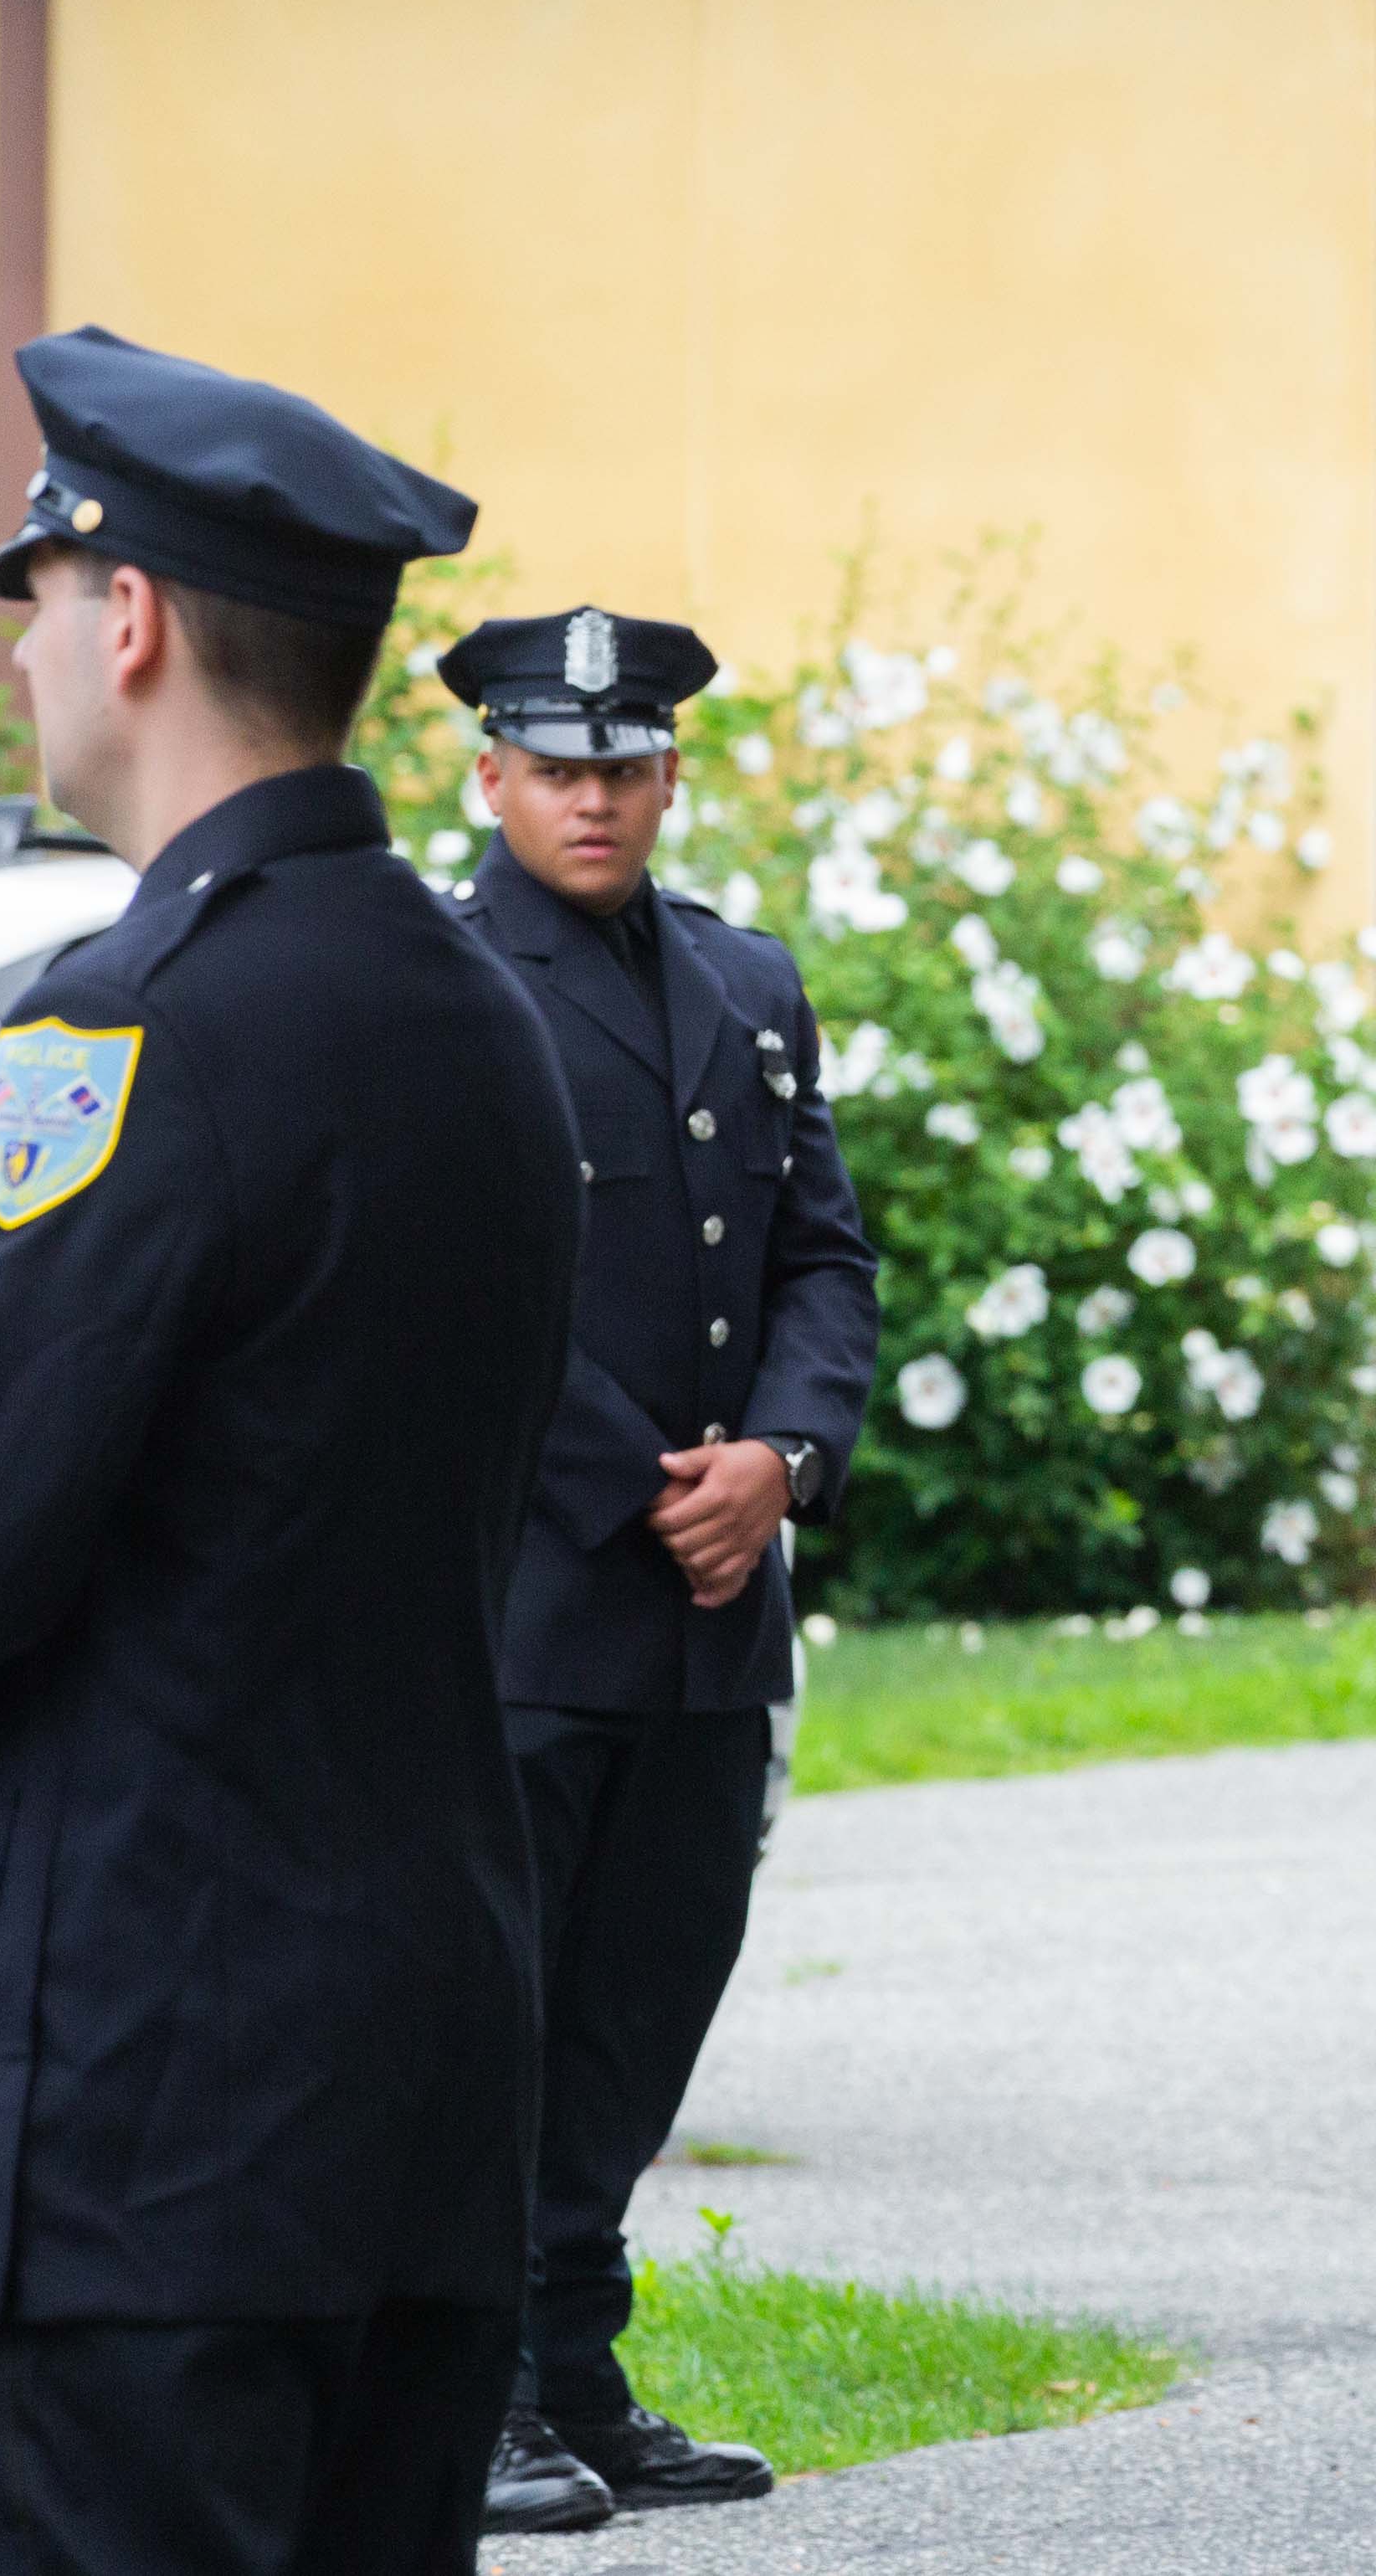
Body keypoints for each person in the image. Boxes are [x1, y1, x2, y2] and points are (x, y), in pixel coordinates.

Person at [0, 329, 581, 2574]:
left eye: (41, 591)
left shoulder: (131, 1028)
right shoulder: (482, 1016)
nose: (20, 646)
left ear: (136, 618)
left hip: (129, 2103)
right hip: (414, 2072)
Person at [436, 609, 881, 2532]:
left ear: (671, 776)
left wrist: (780, 1461)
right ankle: (476, 2400)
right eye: (557, 766)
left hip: (712, 1611)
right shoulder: (444, 989)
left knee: (644, 1999)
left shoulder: (743, 980)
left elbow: (824, 1261)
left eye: (625, 766)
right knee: (502, 2011)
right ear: (490, 779)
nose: (594, 797)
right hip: (530, 1600)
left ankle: (580, 2367)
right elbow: (451, 1286)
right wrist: (654, 1483)